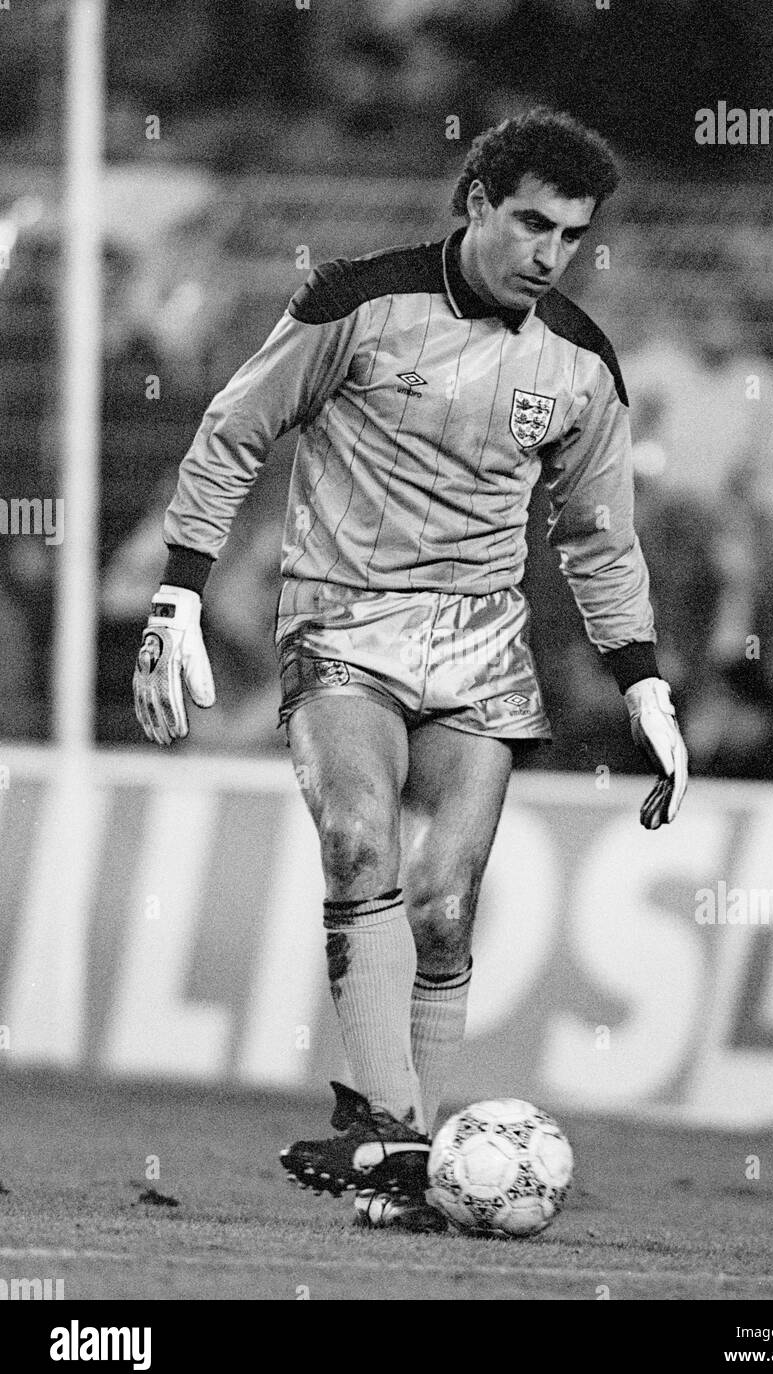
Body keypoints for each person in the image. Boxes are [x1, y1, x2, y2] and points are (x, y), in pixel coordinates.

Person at [132, 108, 688, 1232]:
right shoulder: (356, 301)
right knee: (356, 839)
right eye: (529, 221)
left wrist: (643, 678)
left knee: (443, 908)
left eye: (571, 234)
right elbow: (239, 426)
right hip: (344, 619)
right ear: (478, 203)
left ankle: (411, 1172)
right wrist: (179, 587)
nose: (548, 251)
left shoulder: (581, 363)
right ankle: (386, 1123)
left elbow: (597, 535)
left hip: (482, 644)